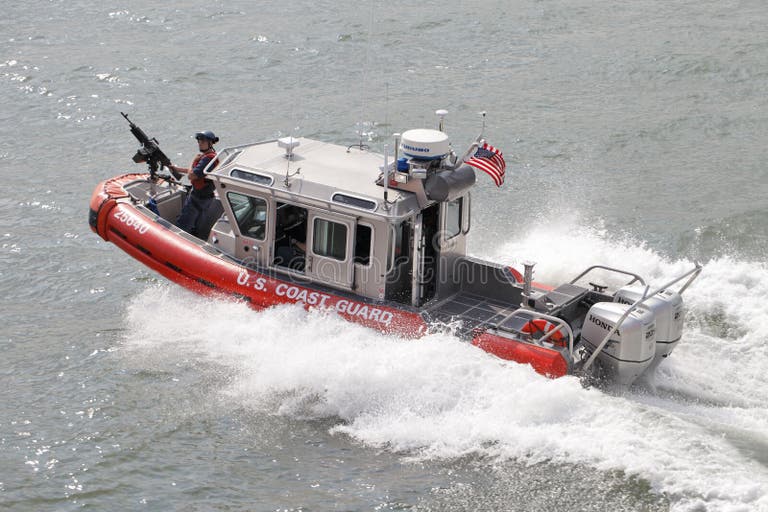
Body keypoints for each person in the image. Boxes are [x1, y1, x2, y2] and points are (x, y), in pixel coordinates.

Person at [168, 130, 223, 240]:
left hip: (198, 198)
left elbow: (191, 175)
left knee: (183, 224)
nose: (199, 143)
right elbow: (197, 171)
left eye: (203, 141)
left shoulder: (207, 158)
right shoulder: (210, 157)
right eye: (199, 141)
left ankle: (177, 241)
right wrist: (177, 169)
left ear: (210, 143)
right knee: (197, 224)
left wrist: (193, 160)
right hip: (206, 197)